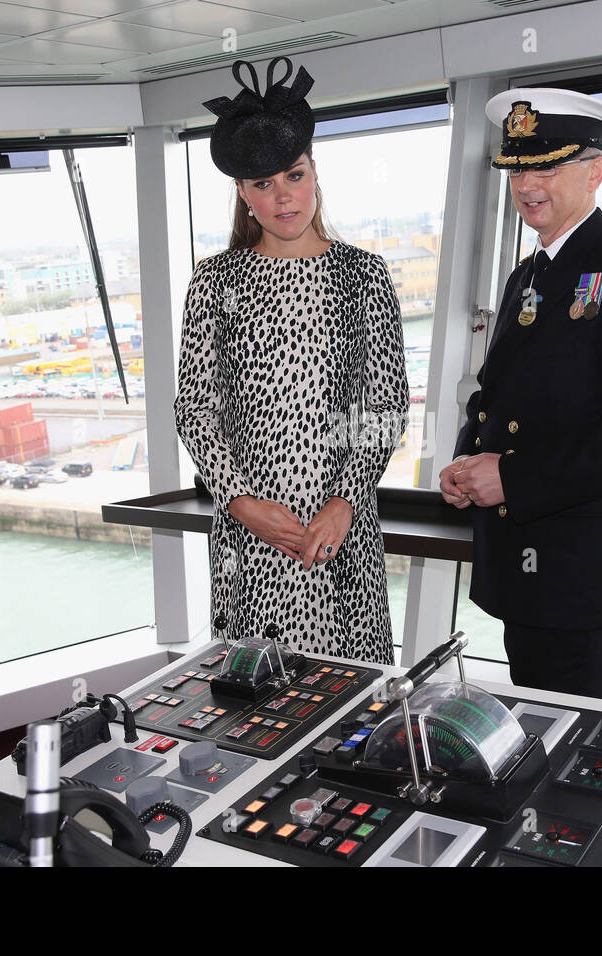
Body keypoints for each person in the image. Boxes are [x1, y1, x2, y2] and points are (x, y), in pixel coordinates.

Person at [438, 88, 602, 701]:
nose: (528, 184)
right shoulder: (529, 274)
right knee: (537, 717)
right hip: (519, 559)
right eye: (519, 168)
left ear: (596, 169)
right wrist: (469, 460)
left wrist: (514, 478)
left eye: (548, 165)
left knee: (581, 742)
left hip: (582, 569)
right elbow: (495, 395)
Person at [175, 57, 408, 665]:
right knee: (256, 712)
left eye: (294, 175)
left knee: (352, 711)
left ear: (314, 173)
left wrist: (344, 501)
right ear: (243, 195)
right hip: (250, 535)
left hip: (341, 532)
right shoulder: (216, 280)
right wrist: (239, 502)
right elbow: (197, 408)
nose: (282, 197)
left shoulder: (363, 275)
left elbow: (382, 406)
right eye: (263, 185)